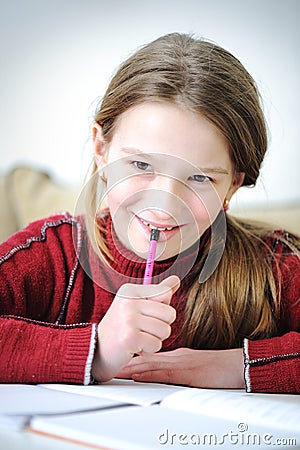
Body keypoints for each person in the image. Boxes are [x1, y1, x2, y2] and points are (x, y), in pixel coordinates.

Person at [0, 33, 299, 393]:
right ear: (101, 150)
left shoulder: (274, 266)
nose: (165, 202)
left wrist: (239, 366)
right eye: (141, 164)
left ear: (231, 187)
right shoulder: (53, 253)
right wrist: (94, 353)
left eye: (200, 177)